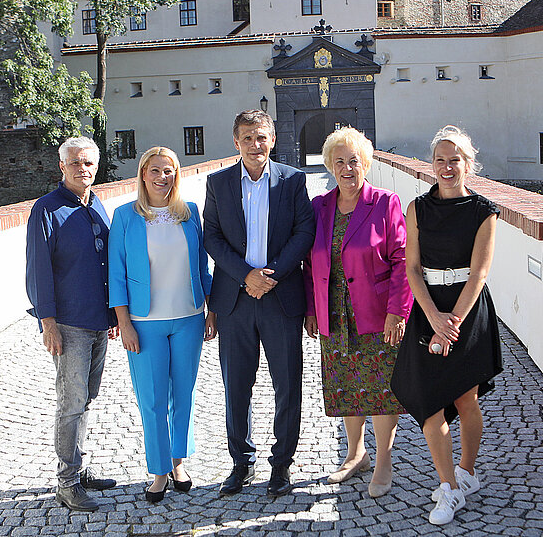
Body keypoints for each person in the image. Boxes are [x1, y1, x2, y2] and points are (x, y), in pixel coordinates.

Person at [390, 125, 503, 526]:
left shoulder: (484, 212)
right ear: (431, 164)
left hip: (467, 313)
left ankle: (467, 473)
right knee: (429, 401)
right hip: (428, 310)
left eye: (454, 159)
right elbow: (412, 268)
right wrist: (434, 318)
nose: (446, 166)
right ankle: (448, 488)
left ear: (467, 164)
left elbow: (479, 274)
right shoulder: (417, 208)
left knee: (464, 398)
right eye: (440, 159)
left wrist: (451, 320)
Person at [203, 109, 315, 497]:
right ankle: (240, 462)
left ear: (273, 139)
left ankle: (281, 464)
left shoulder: (293, 180)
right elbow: (211, 237)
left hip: (280, 296)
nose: (255, 144)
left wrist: (272, 275)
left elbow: (305, 231)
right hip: (234, 299)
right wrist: (245, 275)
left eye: (262, 136)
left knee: (288, 384)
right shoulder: (217, 183)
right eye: (247, 137)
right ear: (236, 142)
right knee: (237, 385)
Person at [302, 127, 412, 498]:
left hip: (377, 314)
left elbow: (402, 261)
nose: (347, 168)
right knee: (347, 387)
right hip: (334, 315)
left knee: (381, 390)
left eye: (354, 161)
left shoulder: (385, 203)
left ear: (365, 164)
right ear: (330, 166)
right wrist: (311, 310)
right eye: (340, 162)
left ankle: (384, 461)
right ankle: (355, 454)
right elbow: (309, 263)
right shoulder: (320, 207)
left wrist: (398, 312)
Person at [108, 147, 214, 503]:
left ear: (176, 174)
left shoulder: (190, 214)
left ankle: (178, 462)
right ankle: (157, 471)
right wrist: (124, 322)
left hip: (188, 318)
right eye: (155, 170)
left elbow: (202, 265)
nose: (162, 177)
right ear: (142, 174)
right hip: (144, 321)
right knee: (152, 399)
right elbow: (117, 274)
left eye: (168, 171)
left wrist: (210, 308)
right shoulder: (125, 216)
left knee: (183, 395)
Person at [25, 136, 118, 512]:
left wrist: (114, 315)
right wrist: (47, 322)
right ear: (62, 167)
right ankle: (66, 482)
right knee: (71, 402)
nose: (84, 169)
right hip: (68, 324)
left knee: (87, 399)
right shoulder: (46, 210)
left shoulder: (97, 206)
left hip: (99, 320)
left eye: (90, 163)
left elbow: (108, 265)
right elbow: (38, 270)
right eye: (76, 163)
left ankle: (80, 467)